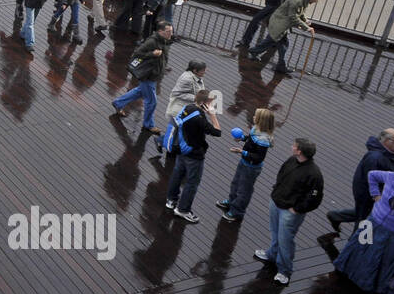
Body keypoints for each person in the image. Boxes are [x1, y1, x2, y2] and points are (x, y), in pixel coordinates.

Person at [333, 163, 394, 294]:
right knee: (360, 249)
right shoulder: (392, 177)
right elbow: (372, 175)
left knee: (388, 262)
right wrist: (375, 195)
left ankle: (379, 287)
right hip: (374, 223)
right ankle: (350, 273)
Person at [251, 139, 324, 283]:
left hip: (290, 211)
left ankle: (285, 270)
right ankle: (272, 254)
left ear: (300, 151)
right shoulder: (291, 160)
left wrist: (297, 209)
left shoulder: (314, 173)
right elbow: (281, 174)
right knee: (275, 232)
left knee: (286, 240)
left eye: (294, 146)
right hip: (277, 202)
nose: (292, 147)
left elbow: (314, 198)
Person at [327, 129, 394, 233]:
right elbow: (371, 180)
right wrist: (378, 197)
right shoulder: (375, 158)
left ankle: (337, 215)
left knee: (365, 212)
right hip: (368, 194)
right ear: (388, 141)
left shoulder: (391, 153)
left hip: (379, 193)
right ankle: (355, 243)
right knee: (364, 220)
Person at [164, 88, 222, 223]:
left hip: (181, 149)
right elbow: (217, 132)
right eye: (211, 104)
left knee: (177, 175)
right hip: (194, 154)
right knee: (192, 182)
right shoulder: (199, 118)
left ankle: (171, 200)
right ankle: (183, 210)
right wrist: (212, 115)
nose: (212, 106)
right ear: (204, 103)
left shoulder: (188, 107)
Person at [215, 108, 275, 221]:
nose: (253, 117)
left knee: (244, 190)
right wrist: (242, 138)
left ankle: (237, 211)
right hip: (244, 162)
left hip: (251, 167)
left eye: (255, 116)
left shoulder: (263, 139)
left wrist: (242, 152)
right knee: (235, 183)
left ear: (260, 120)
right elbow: (250, 138)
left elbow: (259, 157)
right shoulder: (256, 129)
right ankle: (232, 201)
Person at [112, 21, 173, 132]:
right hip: (148, 75)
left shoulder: (165, 41)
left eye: (171, 31)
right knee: (151, 101)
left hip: (154, 75)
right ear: (160, 31)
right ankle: (148, 124)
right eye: (168, 31)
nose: (170, 34)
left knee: (139, 91)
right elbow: (137, 54)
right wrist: (152, 54)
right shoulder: (152, 42)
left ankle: (118, 103)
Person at [251, 0, 320, 76]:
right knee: (272, 41)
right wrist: (307, 28)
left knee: (282, 44)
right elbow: (293, 17)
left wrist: (305, 20)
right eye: (315, 0)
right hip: (279, 24)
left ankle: (280, 65)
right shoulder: (297, 2)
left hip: (282, 24)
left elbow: (300, 14)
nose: (314, 2)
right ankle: (254, 52)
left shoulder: (303, 1)